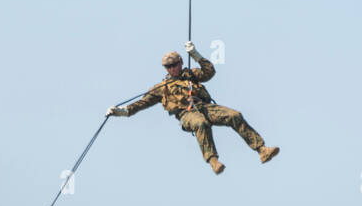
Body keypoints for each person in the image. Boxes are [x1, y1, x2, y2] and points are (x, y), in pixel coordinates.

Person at [107, 42, 279, 175]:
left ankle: (262, 150)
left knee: (235, 115)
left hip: (204, 106)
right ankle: (213, 161)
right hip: (186, 114)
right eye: (168, 66)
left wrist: (195, 54)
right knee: (200, 124)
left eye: (174, 64)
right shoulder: (162, 87)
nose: (172, 68)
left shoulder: (191, 75)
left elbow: (209, 72)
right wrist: (121, 112)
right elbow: (140, 104)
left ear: (180, 62)